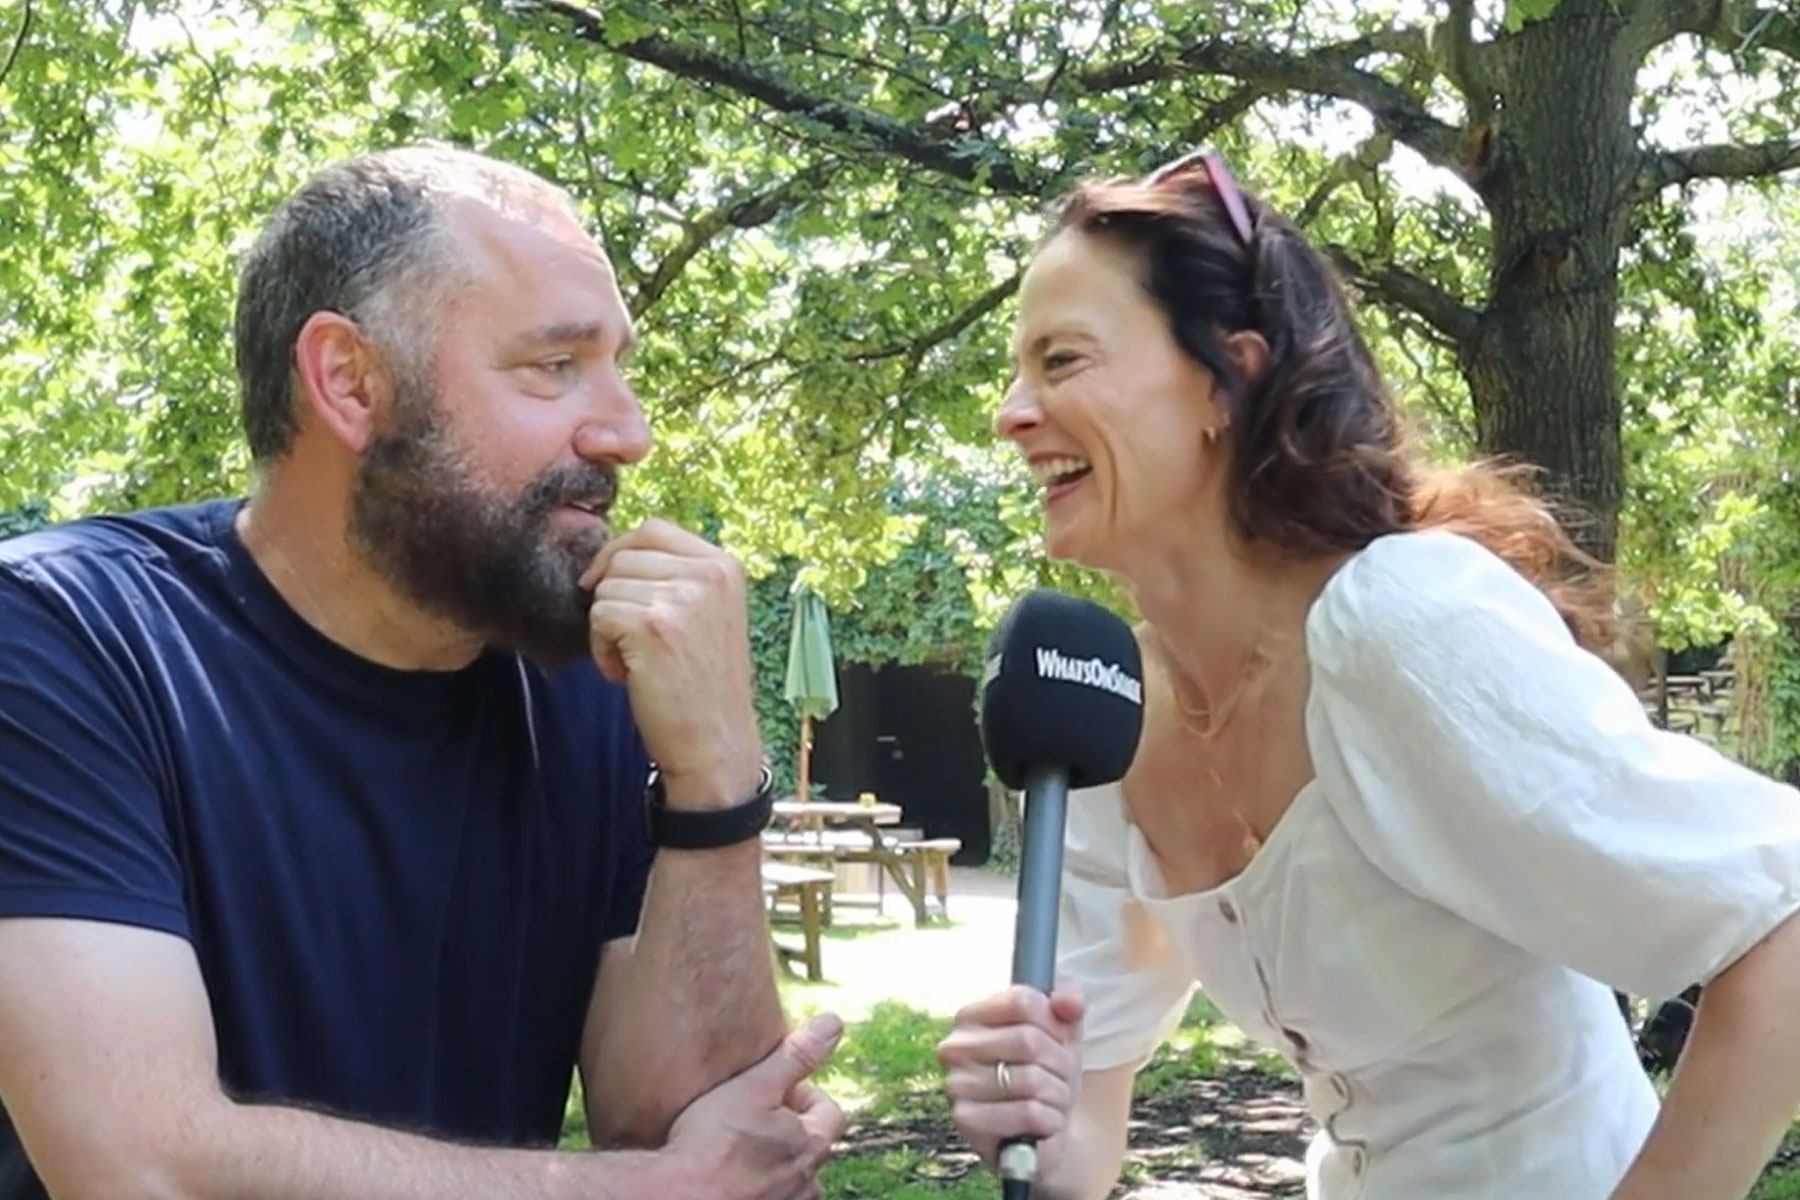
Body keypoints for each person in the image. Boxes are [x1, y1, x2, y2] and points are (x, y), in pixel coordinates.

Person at [937, 149, 1800, 1200]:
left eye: (1062, 361)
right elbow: (1082, 1151)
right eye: (1017, 371)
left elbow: (1782, 922)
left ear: (1228, 377)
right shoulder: (1112, 712)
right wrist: (1023, 1115)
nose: (1011, 413)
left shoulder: (1399, 621)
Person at [0, 144, 844, 1200]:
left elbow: (692, 1129)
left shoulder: (591, 678)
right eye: (554, 365)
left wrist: (717, 776)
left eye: (621, 366)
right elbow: (141, 1165)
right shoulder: (62, 637)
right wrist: (646, 1193)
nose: (627, 430)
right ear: (352, 383)